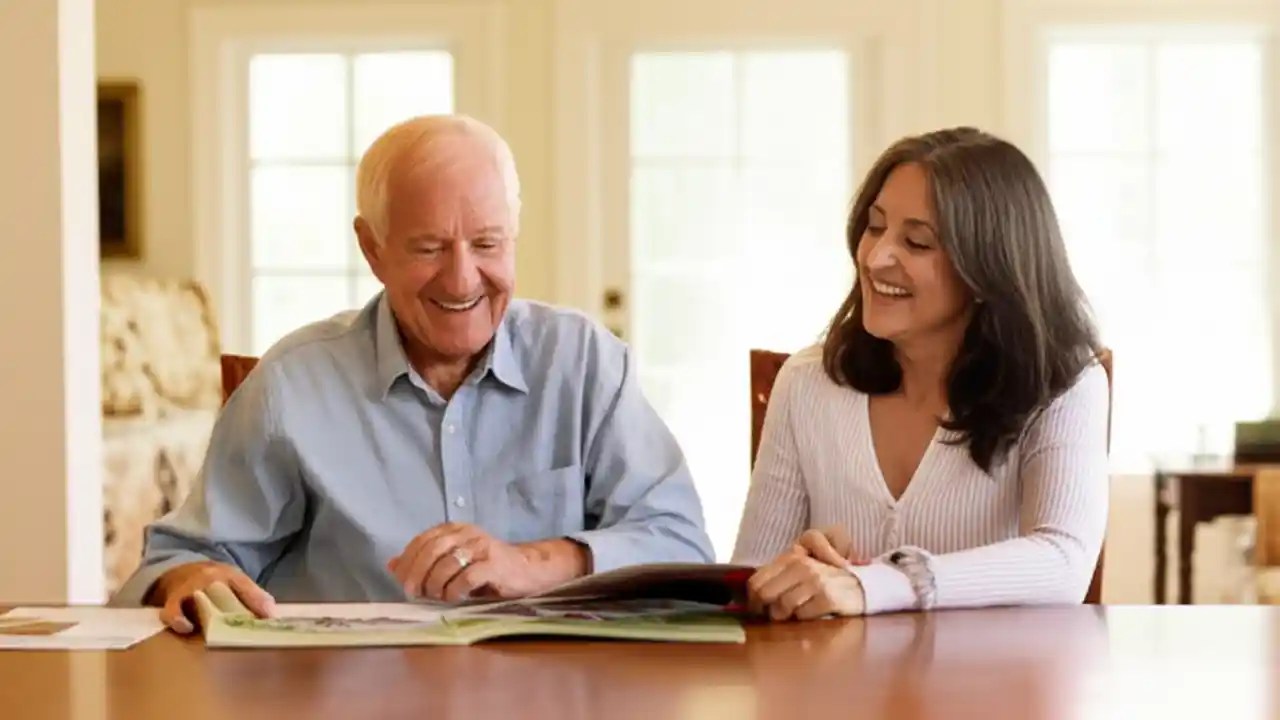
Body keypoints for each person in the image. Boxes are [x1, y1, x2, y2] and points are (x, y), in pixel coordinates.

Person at [112, 115, 713, 632]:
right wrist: (194, 578)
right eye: (429, 248)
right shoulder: (291, 385)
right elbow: (179, 559)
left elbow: (684, 548)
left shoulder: (585, 363)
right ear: (371, 249)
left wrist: (534, 563)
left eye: (487, 244)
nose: (461, 280)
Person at [733, 127, 1109, 620]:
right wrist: (794, 575)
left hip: (998, 694)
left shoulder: (1063, 386)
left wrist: (876, 584)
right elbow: (750, 579)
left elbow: (1063, 562)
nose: (876, 257)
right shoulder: (807, 383)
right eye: (873, 227)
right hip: (841, 693)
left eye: (916, 242)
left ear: (989, 268)